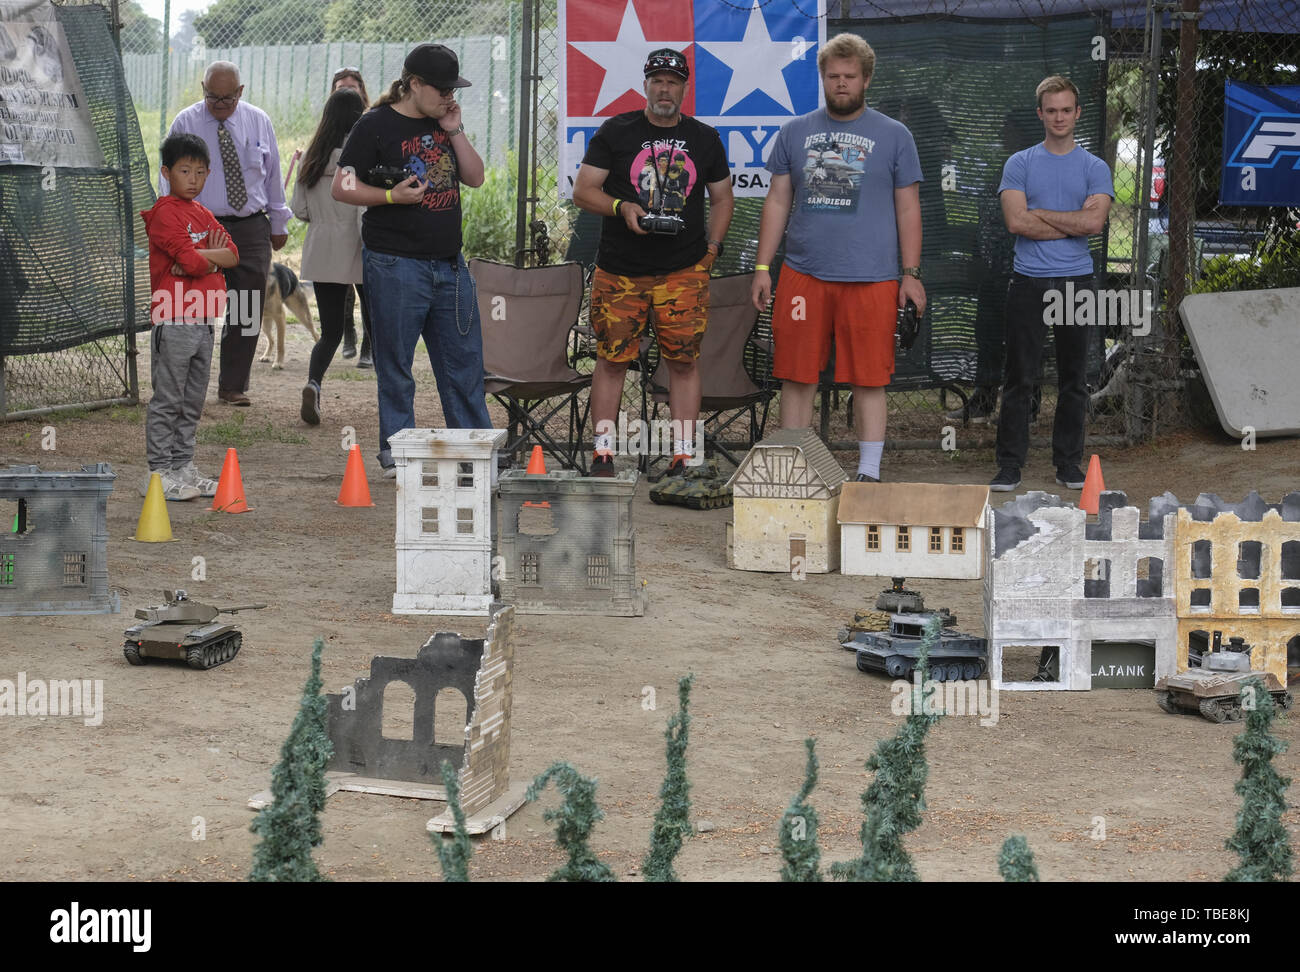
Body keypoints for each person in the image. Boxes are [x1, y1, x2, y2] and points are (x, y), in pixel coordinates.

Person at [752, 33, 925, 483]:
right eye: (833, 76)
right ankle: (794, 469)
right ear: (823, 78)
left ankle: (868, 474)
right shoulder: (794, 132)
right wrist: (762, 266)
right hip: (804, 273)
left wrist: (911, 274)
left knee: (870, 378)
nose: (841, 84)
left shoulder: (895, 135)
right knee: (796, 374)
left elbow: (908, 208)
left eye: (850, 76)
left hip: (873, 277)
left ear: (866, 78)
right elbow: (776, 202)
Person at [572, 48, 733, 478]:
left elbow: (722, 197)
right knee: (611, 360)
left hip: (683, 270)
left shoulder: (705, 138)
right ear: (645, 84)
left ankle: (682, 455)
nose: (665, 88)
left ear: (684, 88)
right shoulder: (617, 130)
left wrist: (711, 252)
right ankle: (603, 454)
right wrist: (623, 207)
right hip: (621, 270)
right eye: (657, 80)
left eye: (673, 81)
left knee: (683, 362)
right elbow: (584, 191)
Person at [332, 44, 490, 477]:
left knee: (463, 365)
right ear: (414, 84)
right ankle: (398, 453)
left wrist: (455, 128)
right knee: (397, 365)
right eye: (440, 89)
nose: (448, 96)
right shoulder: (375, 124)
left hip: (450, 264)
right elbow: (342, 187)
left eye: (453, 89)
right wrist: (388, 196)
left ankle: (475, 453)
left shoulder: (445, 122)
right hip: (395, 264)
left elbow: (475, 177)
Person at [989, 75, 1113, 492]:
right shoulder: (1019, 163)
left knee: (1074, 379)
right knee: (1020, 378)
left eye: (1066, 110)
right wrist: (1071, 221)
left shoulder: (1095, 167)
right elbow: (1015, 222)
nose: (1059, 117)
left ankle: (1068, 465)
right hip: (1028, 281)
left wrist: (1041, 214)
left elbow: (1094, 222)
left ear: (1077, 114)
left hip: (1076, 283)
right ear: (1040, 114)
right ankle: (1009, 466)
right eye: (1051, 110)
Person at [164, 61, 292, 407]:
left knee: (246, 308)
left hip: (250, 226)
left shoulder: (258, 120)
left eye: (226, 99)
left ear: (240, 92)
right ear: (202, 88)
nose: (219, 105)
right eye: (211, 97)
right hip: (199, 225)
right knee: (196, 307)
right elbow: (170, 180)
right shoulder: (185, 122)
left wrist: (278, 224)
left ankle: (233, 386)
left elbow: (272, 175)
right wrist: (176, 231)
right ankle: (187, 388)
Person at [139, 132, 240, 501]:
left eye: (200, 172)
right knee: (169, 397)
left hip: (203, 319)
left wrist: (201, 258)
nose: (193, 179)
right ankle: (158, 473)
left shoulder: (202, 213)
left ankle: (182, 466)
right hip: (174, 316)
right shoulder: (166, 212)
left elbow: (233, 253)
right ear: (167, 172)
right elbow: (196, 260)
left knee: (193, 399)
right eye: (185, 171)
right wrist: (203, 257)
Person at [946, 111, 1039, 426]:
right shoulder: (1001, 170)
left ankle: (1027, 407)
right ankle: (984, 401)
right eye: (1002, 127)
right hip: (993, 272)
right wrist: (977, 258)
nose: (1003, 133)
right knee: (987, 335)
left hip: (1026, 272)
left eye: (1009, 127)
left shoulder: (1037, 169)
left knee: (1024, 339)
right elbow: (982, 223)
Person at [292, 88, 369, 426]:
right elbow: (363, 209)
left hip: (321, 248)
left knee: (331, 332)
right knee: (376, 322)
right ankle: (392, 395)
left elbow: (299, 209)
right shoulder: (358, 158)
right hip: (358, 246)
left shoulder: (312, 157)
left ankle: (313, 383)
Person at [329, 66, 373, 365]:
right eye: (340, 86)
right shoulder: (328, 126)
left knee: (368, 285)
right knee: (343, 284)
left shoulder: (372, 122)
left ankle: (370, 345)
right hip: (336, 216)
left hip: (366, 216)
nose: (346, 91)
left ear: (362, 91)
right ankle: (348, 334)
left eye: (352, 86)